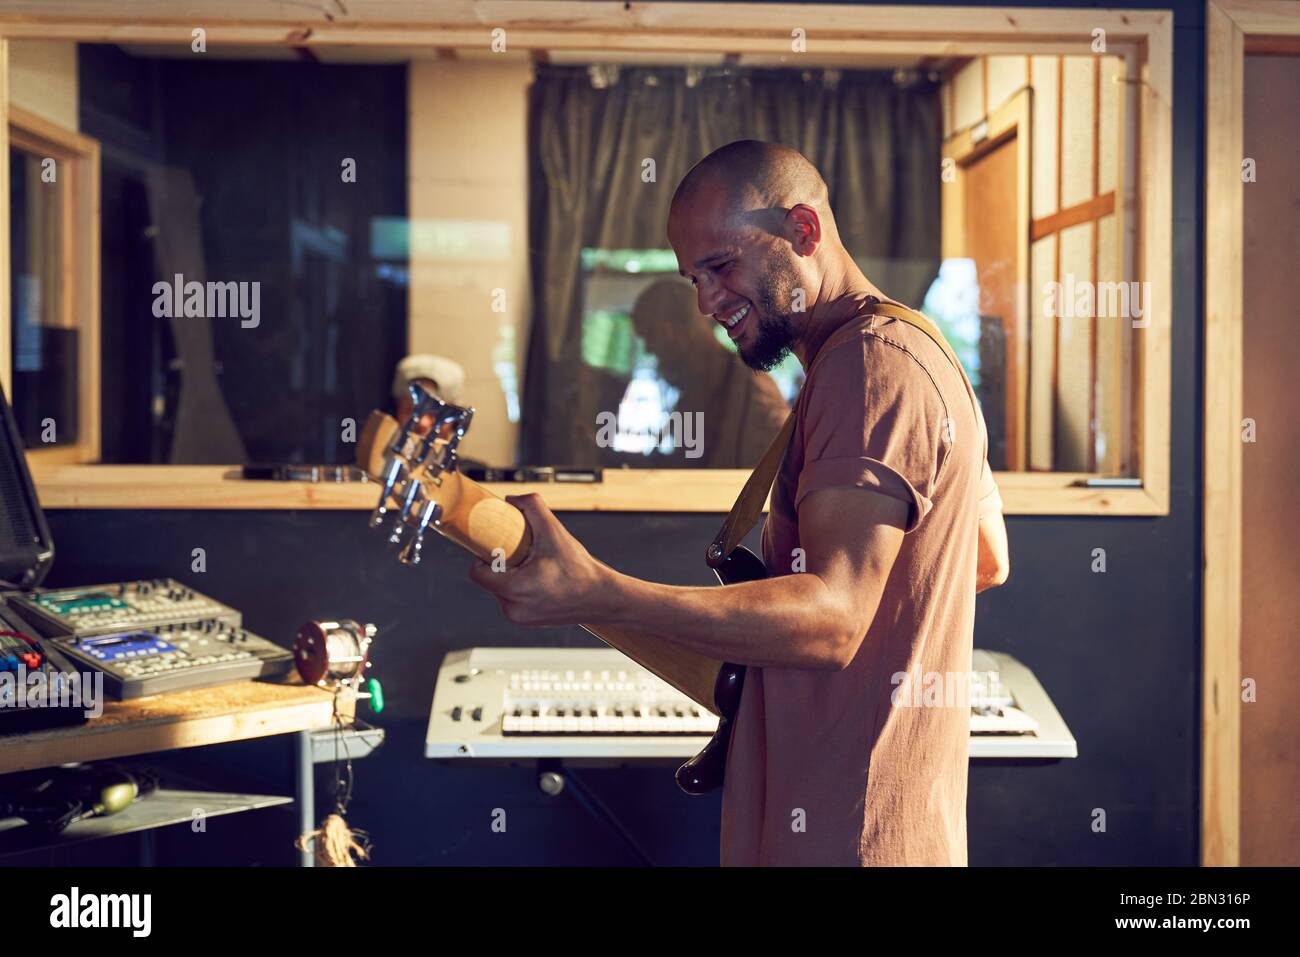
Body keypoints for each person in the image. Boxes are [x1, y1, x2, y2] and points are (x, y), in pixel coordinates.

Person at [469, 140, 1010, 866]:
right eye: (693, 279)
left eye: (721, 266)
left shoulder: (869, 368)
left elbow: (835, 617)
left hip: (843, 839)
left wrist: (603, 591)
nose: (707, 303)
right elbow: (984, 557)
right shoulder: (918, 347)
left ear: (804, 232)